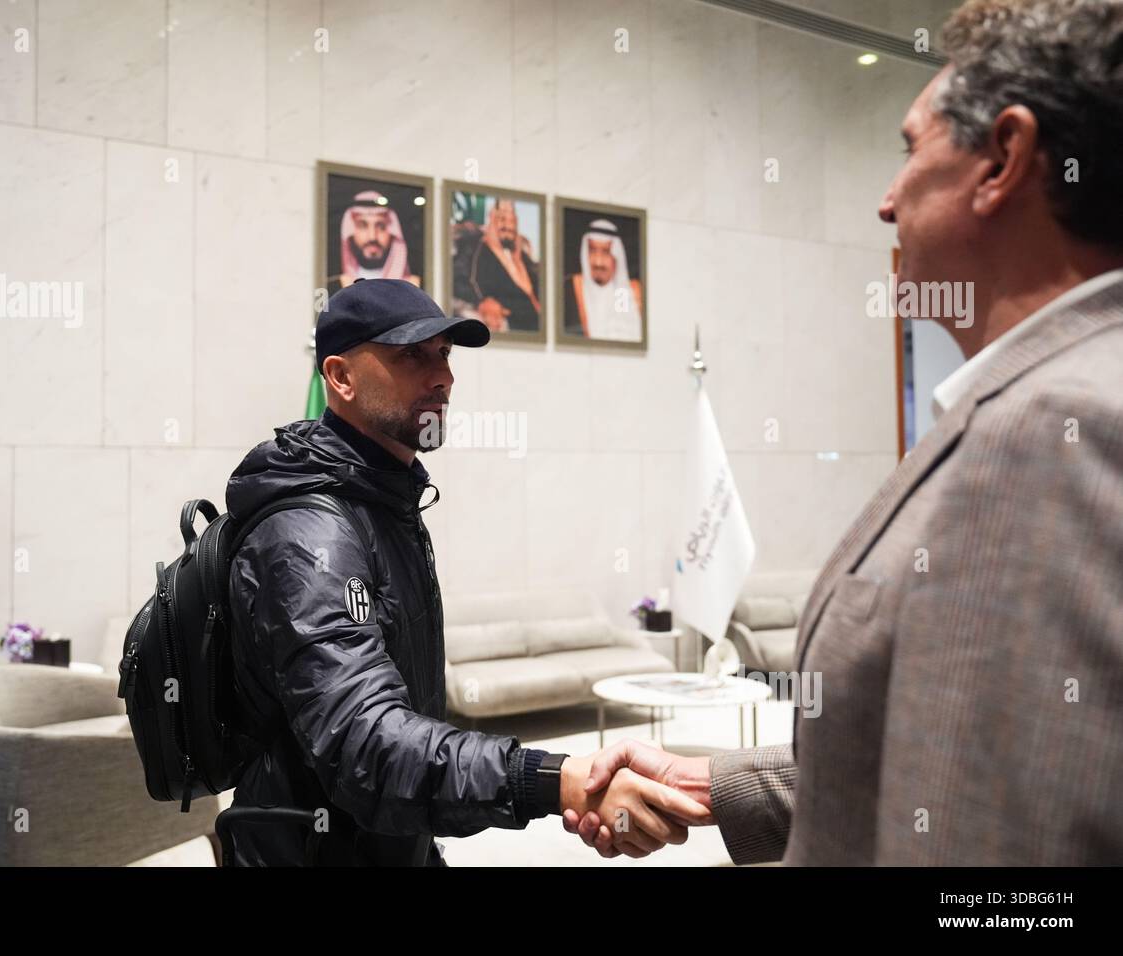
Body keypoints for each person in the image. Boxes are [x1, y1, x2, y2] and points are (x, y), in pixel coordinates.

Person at [566, 0, 1123, 865]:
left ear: (1002, 160)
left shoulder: (1054, 434)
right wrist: (713, 783)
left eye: (910, 149)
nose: (886, 202)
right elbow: (937, 753)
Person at [225, 278, 706, 865]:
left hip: (392, 845)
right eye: (411, 355)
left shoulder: (384, 501)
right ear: (340, 377)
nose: (444, 377)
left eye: (445, 353)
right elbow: (364, 743)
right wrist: (557, 780)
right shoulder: (309, 533)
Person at [457, 199, 542, 333]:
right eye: (502, 219)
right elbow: (461, 280)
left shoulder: (524, 258)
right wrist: (482, 302)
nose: (508, 226)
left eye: (512, 221)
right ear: (492, 219)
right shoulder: (477, 250)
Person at [326, 190, 421, 294]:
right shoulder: (330, 287)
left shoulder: (415, 288)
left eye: (381, 226)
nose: (372, 237)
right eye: (362, 226)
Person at [562, 218, 642, 341]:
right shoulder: (569, 288)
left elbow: (624, 331)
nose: (598, 262)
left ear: (617, 256)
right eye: (592, 250)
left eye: (606, 252)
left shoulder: (622, 292)